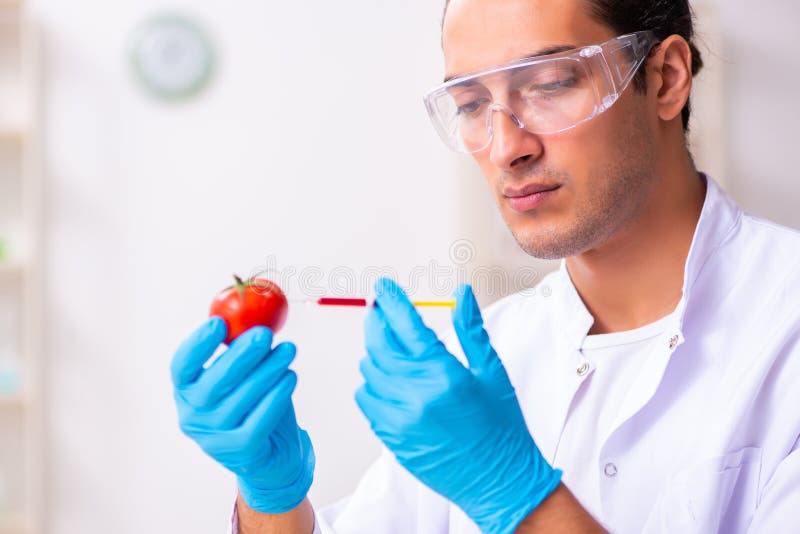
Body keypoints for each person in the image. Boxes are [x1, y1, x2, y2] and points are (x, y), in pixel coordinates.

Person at [170, 0, 800, 532]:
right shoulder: (491, 356)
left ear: (665, 79)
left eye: (551, 83)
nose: (506, 147)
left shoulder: (784, 328)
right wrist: (270, 497)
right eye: (471, 104)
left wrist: (519, 496)